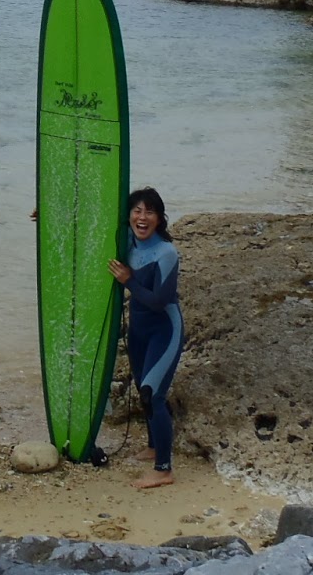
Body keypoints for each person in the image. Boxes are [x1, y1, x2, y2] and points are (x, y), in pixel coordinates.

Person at [108, 186, 182, 489]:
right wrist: (47, 216)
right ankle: (153, 447)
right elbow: (87, 227)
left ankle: (164, 469)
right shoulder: (126, 240)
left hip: (164, 330)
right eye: (136, 210)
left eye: (149, 211)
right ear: (128, 216)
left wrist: (128, 281)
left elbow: (159, 299)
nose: (142, 217)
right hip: (138, 331)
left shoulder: (166, 252)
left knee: (154, 393)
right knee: (143, 390)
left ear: (160, 219)